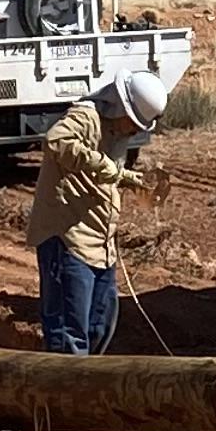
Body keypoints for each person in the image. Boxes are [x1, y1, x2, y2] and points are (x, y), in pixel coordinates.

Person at [23, 69, 164, 356]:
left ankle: (84, 391)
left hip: (101, 245)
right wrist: (102, 165)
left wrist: (126, 178)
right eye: (134, 123)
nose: (135, 131)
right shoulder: (86, 117)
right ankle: (64, 397)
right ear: (121, 108)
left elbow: (105, 172)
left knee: (99, 328)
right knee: (69, 337)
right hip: (68, 240)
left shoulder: (116, 132)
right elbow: (57, 141)